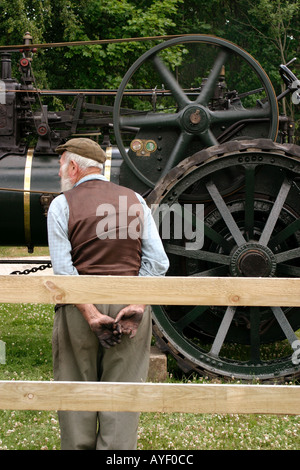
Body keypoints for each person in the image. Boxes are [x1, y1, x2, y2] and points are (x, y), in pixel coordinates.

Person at [47, 137, 169, 450]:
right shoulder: (136, 200)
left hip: (79, 309)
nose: (60, 169)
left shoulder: (62, 204)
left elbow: (64, 273)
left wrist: (91, 314)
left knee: (76, 394)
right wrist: (137, 304)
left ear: (73, 167)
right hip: (129, 307)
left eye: (62, 163)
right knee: (122, 397)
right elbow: (158, 262)